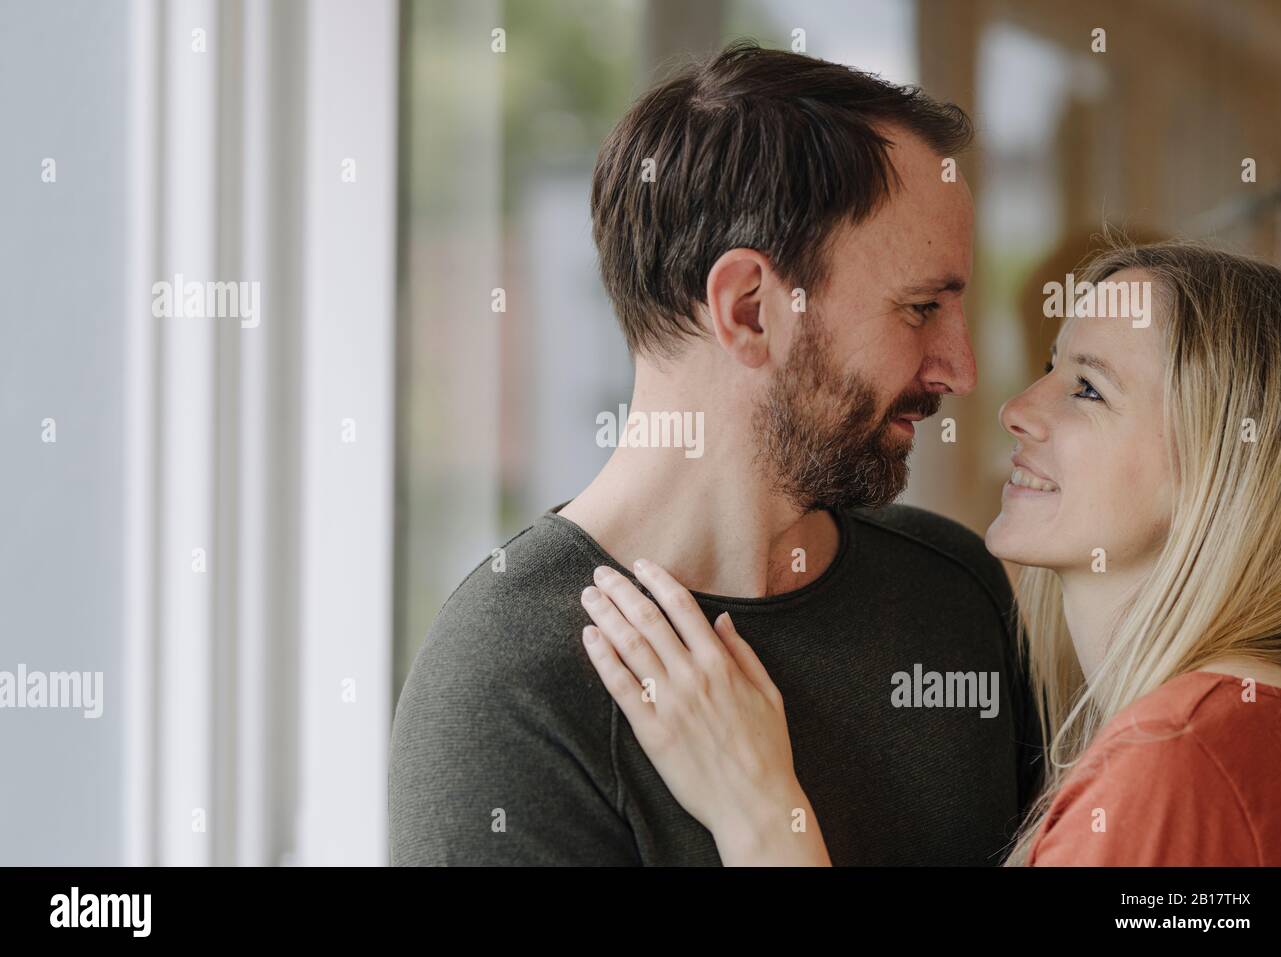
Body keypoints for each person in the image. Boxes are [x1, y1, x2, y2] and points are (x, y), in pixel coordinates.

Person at [388, 41, 1044, 866]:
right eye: (919, 309)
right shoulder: (508, 686)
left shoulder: (956, 592)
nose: (962, 368)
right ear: (748, 310)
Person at [576, 241, 1281, 865]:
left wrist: (759, 817)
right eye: (1051, 366)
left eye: (1087, 388)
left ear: (1225, 464)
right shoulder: (1240, 732)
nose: (1018, 408)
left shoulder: (1178, 764)